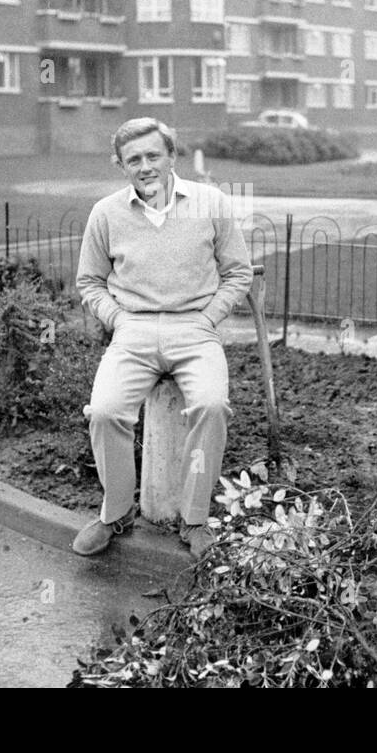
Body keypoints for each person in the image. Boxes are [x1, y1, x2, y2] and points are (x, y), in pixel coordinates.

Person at [73, 118, 252, 559]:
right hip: (132, 330)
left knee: (211, 406)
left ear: (172, 156)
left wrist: (209, 318)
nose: (145, 166)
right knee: (105, 412)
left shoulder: (210, 202)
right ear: (120, 164)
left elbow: (238, 272)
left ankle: (194, 520)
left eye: (154, 156)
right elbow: (89, 281)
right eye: (134, 159)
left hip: (194, 328)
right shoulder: (107, 213)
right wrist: (116, 318)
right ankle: (115, 513)